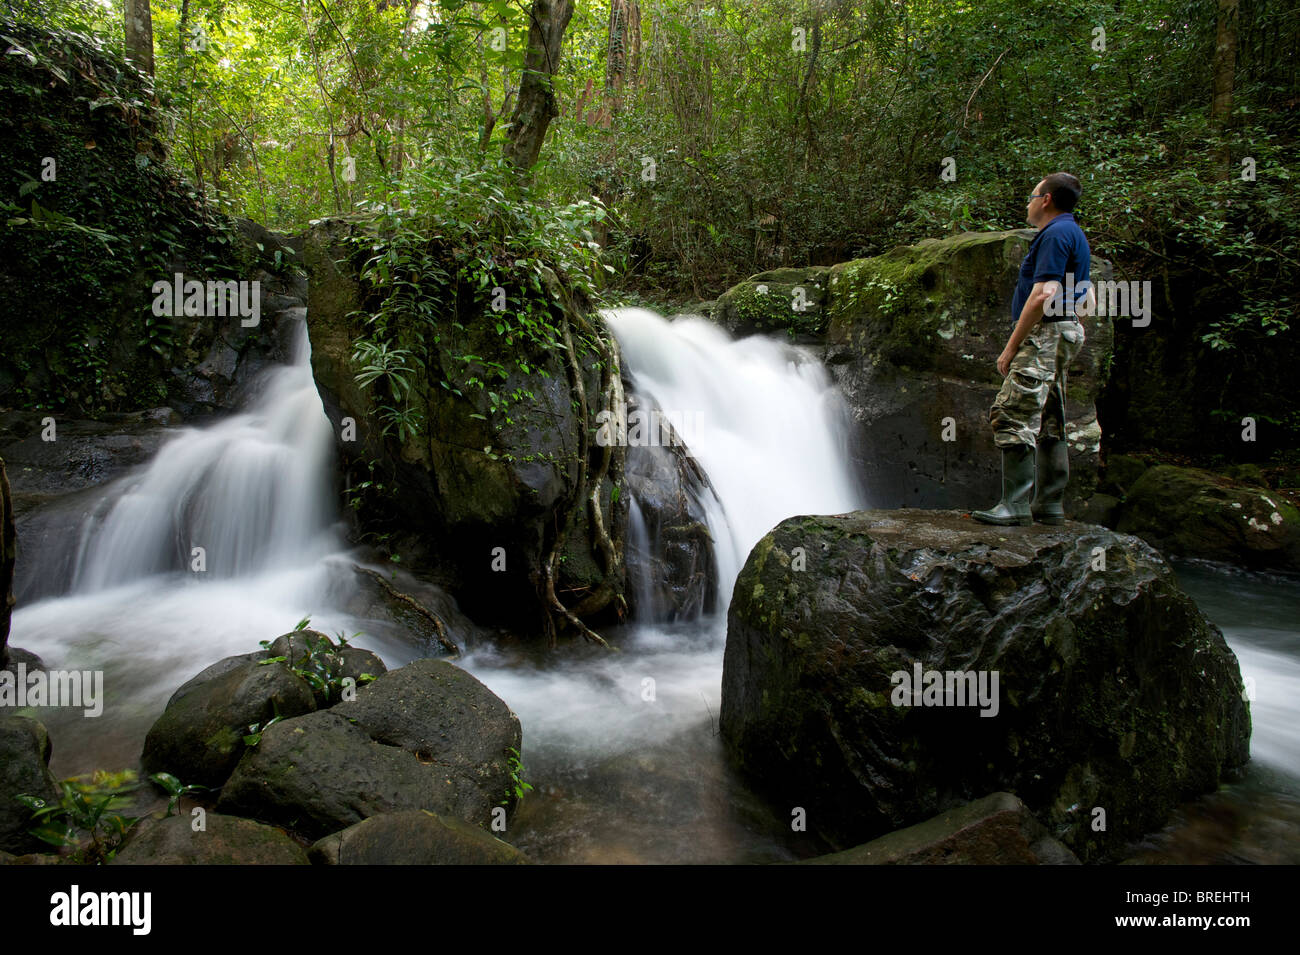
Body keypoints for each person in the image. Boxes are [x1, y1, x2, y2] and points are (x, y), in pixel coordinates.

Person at [973, 172, 1094, 526]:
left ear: (1047, 200)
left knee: (1013, 412)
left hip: (1046, 331)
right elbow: (1087, 294)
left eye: (1032, 195)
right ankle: (1050, 504)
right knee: (1050, 414)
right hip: (1064, 329)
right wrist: (1072, 326)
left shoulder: (1055, 234)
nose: (1027, 202)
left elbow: (1042, 295)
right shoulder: (1075, 234)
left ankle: (1014, 505)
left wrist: (1011, 348)